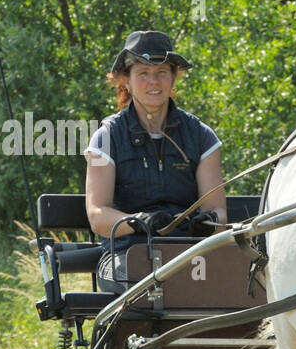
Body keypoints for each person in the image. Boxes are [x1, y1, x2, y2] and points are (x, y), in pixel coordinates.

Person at [83, 31, 227, 292]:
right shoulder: (107, 137)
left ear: (173, 77)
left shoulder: (201, 136)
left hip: (189, 254)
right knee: (144, 283)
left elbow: (219, 212)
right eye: (143, 73)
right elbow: (97, 215)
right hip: (127, 254)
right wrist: (139, 221)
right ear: (126, 80)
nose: (154, 82)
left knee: (236, 282)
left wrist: (203, 224)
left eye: (161, 72)